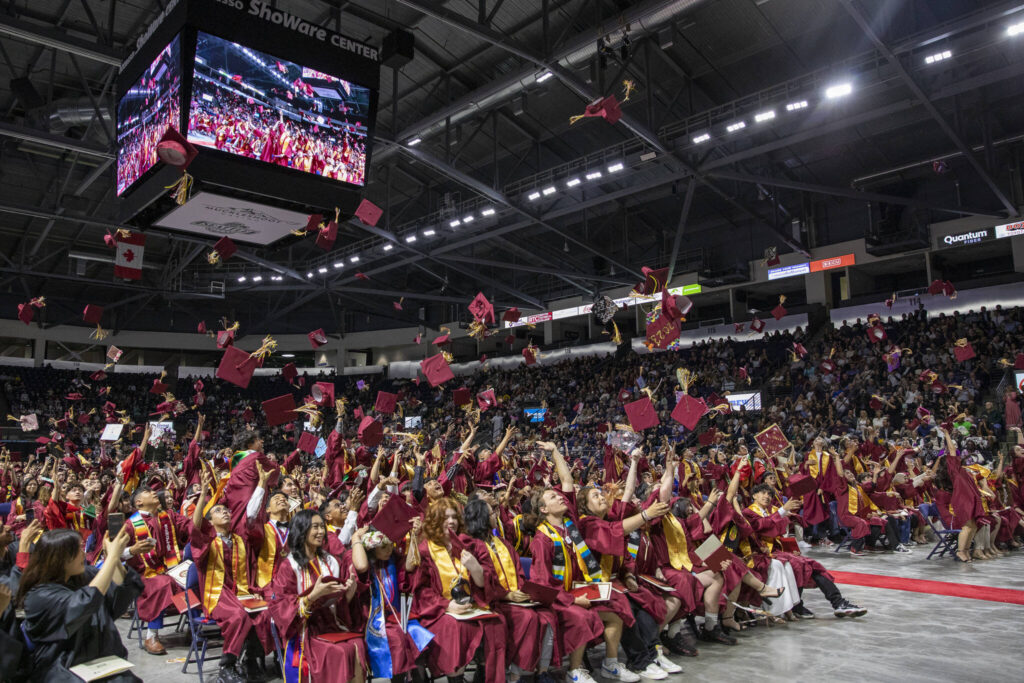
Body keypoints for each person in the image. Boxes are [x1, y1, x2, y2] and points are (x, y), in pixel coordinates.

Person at [17, 527, 142, 680]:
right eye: (78, 550)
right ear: (60, 558)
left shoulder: (82, 576)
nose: (83, 554)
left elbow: (116, 596)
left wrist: (113, 558)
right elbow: (83, 603)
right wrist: (111, 558)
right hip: (62, 666)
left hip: (101, 660)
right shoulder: (38, 596)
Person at [461, 497, 561, 683]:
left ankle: (539, 672)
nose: (496, 515)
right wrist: (507, 595)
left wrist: (526, 592)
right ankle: (515, 675)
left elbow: (519, 574)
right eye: (492, 513)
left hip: (514, 598)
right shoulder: (471, 545)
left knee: (548, 614)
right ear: (481, 517)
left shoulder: (503, 543)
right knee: (528, 618)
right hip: (491, 602)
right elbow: (479, 582)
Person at [411, 497, 507, 683]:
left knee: (497, 623)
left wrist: (476, 568)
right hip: (440, 612)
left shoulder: (473, 545)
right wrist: (447, 605)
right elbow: (421, 590)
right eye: (445, 517)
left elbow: (488, 583)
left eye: (454, 517)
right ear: (434, 521)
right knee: (454, 628)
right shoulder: (425, 550)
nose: (451, 522)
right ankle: (456, 679)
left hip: (475, 607)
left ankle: (486, 676)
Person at [191, 471, 272, 683]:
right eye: (218, 511)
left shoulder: (238, 540)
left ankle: (250, 659)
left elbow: (252, 516)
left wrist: (262, 484)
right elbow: (195, 526)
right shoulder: (206, 541)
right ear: (211, 520)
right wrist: (202, 498)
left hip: (241, 592)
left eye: (226, 510)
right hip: (218, 595)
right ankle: (226, 666)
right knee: (239, 616)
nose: (225, 512)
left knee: (263, 614)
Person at [268, 509, 366, 683]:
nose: (321, 532)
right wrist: (312, 596)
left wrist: (348, 594)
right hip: (306, 630)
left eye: (322, 526)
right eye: (315, 527)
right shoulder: (290, 565)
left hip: (331, 624)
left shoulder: (330, 561)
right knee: (340, 652)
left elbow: (339, 605)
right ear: (302, 530)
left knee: (357, 645)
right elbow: (281, 607)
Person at [349, 520, 433, 682]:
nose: (389, 550)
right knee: (397, 638)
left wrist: (414, 536)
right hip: (375, 619)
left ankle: (418, 678)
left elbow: (409, 567)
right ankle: (399, 678)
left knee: (417, 632)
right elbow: (361, 567)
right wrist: (357, 538)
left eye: (390, 545)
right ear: (372, 547)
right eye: (383, 546)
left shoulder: (393, 559)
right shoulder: (366, 563)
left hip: (397, 615)